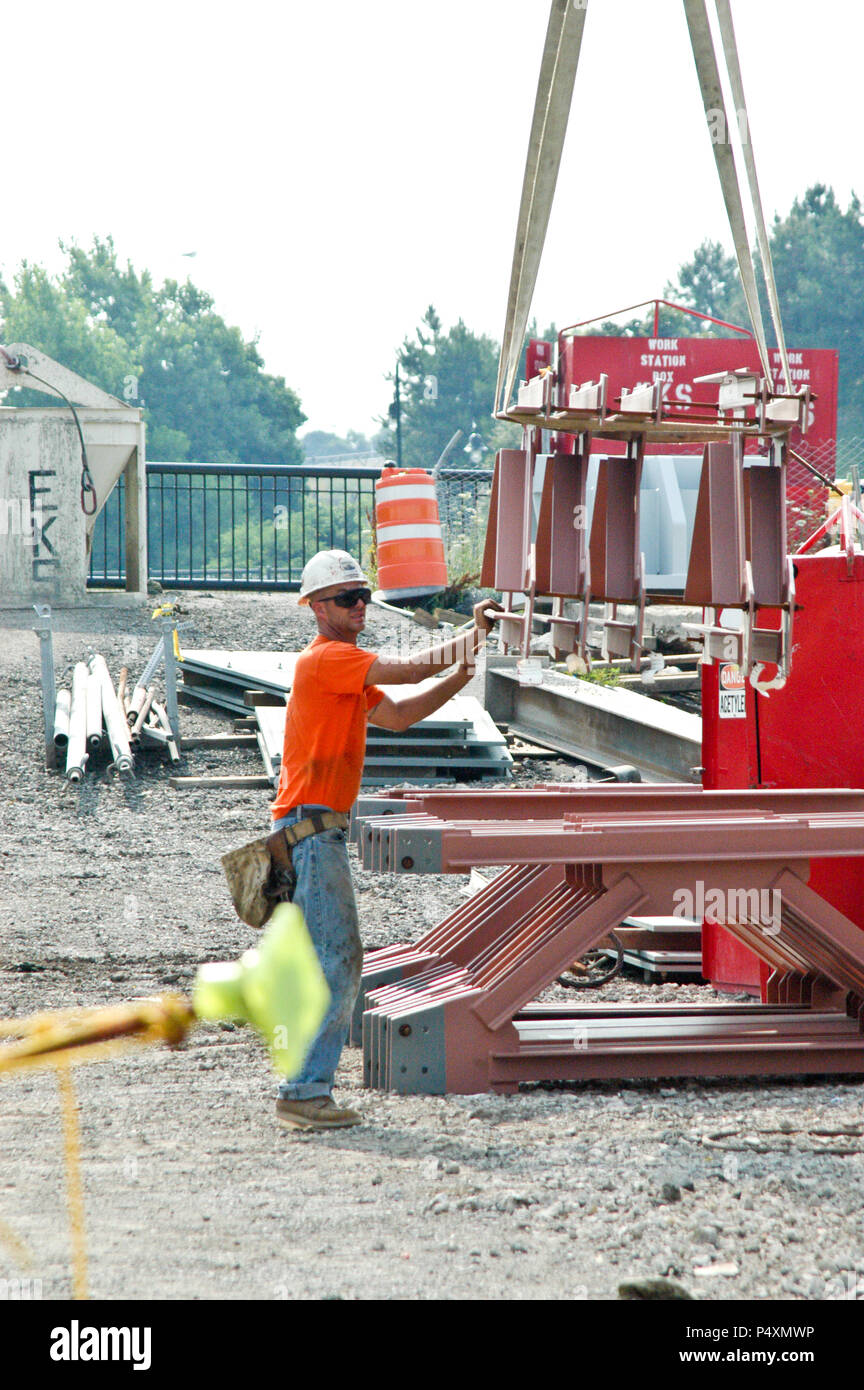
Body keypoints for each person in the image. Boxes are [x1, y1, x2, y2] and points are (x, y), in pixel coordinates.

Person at [270, 548, 500, 1130]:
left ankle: (304, 1086)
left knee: (328, 961)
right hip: (312, 832)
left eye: (364, 595)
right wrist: (470, 636)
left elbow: (399, 715)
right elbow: (408, 670)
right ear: (318, 608)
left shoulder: (342, 669)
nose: (361, 605)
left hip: (313, 832)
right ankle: (303, 1092)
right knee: (337, 963)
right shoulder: (326, 660)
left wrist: (461, 673)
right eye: (348, 598)